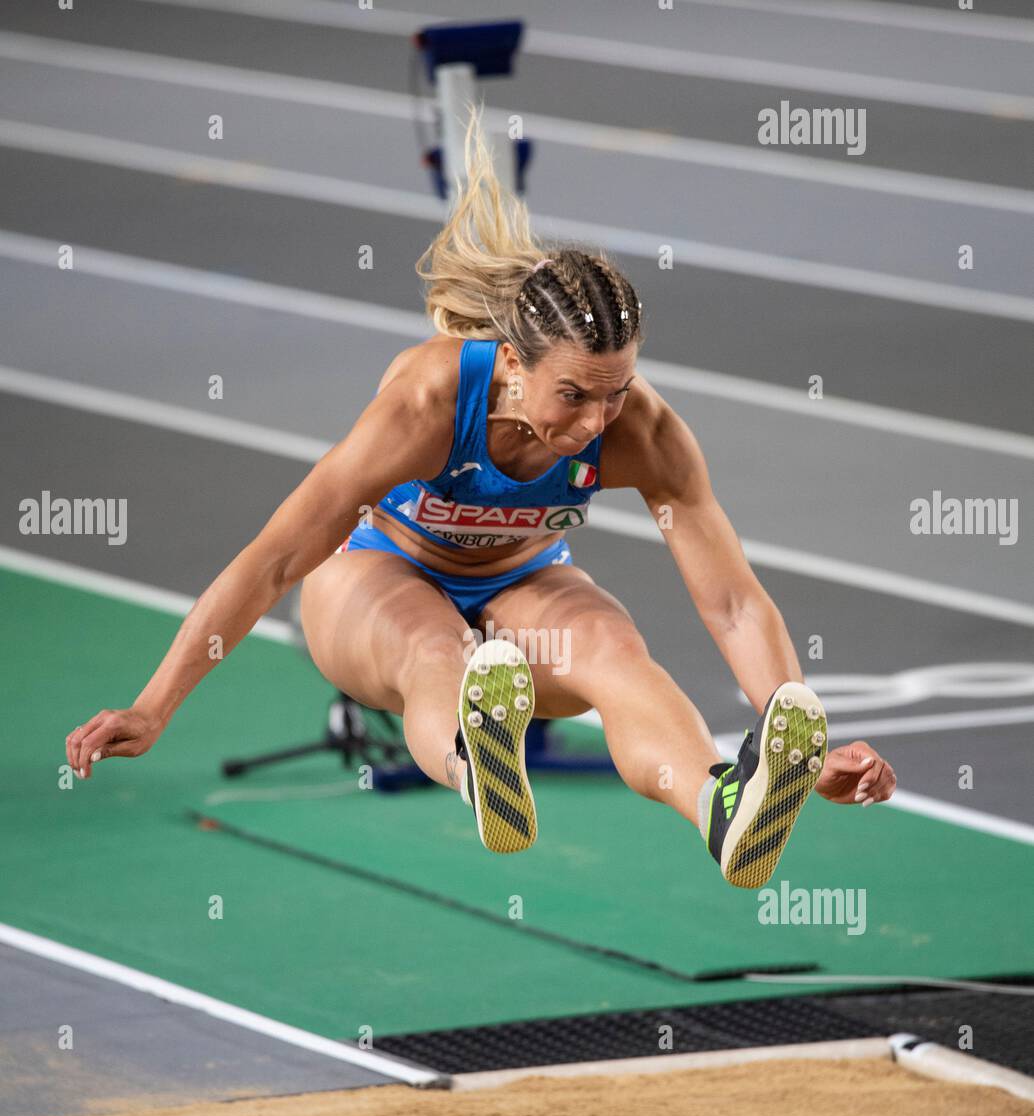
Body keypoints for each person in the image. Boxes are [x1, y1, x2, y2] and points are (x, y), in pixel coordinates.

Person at [65, 108, 896, 888]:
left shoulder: (642, 430)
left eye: (617, 392)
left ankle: (723, 805)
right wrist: (154, 704)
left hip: (522, 582)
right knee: (442, 654)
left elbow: (732, 603)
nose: (597, 421)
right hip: (377, 575)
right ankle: (479, 760)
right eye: (574, 395)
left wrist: (798, 725)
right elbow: (278, 556)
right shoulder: (426, 405)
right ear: (510, 361)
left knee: (610, 644)